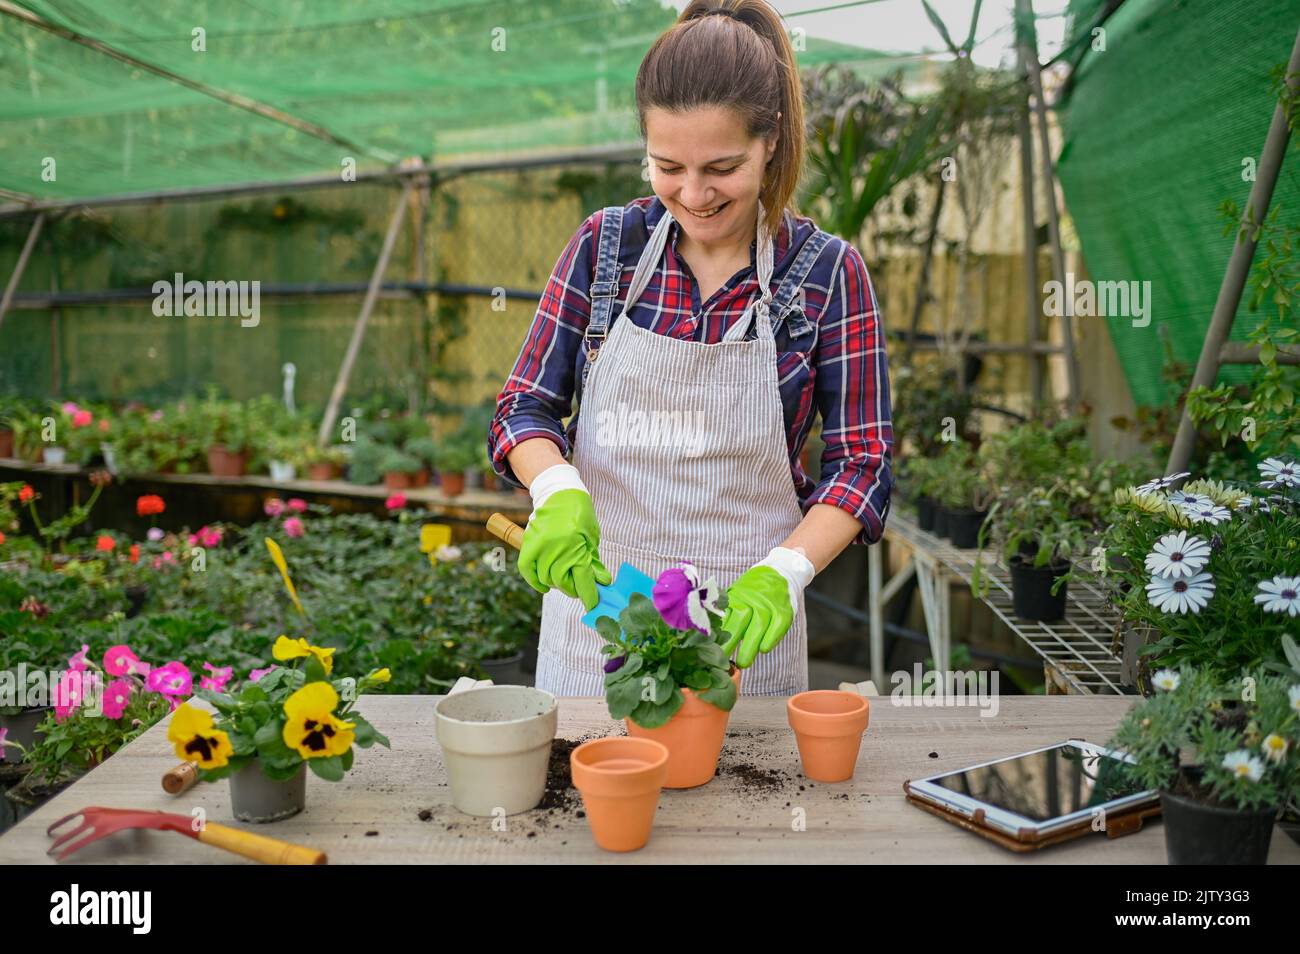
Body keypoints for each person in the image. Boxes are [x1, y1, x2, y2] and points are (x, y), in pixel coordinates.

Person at [487, 0, 893, 696]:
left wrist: (785, 573)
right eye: (667, 166)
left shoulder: (827, 274)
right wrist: (554, 488)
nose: (694, 194)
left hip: (745, 636)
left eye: (722, 167)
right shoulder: (604, 247)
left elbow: (862, 463)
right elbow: (525, 404)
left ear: (772, 142)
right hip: (599, 619)